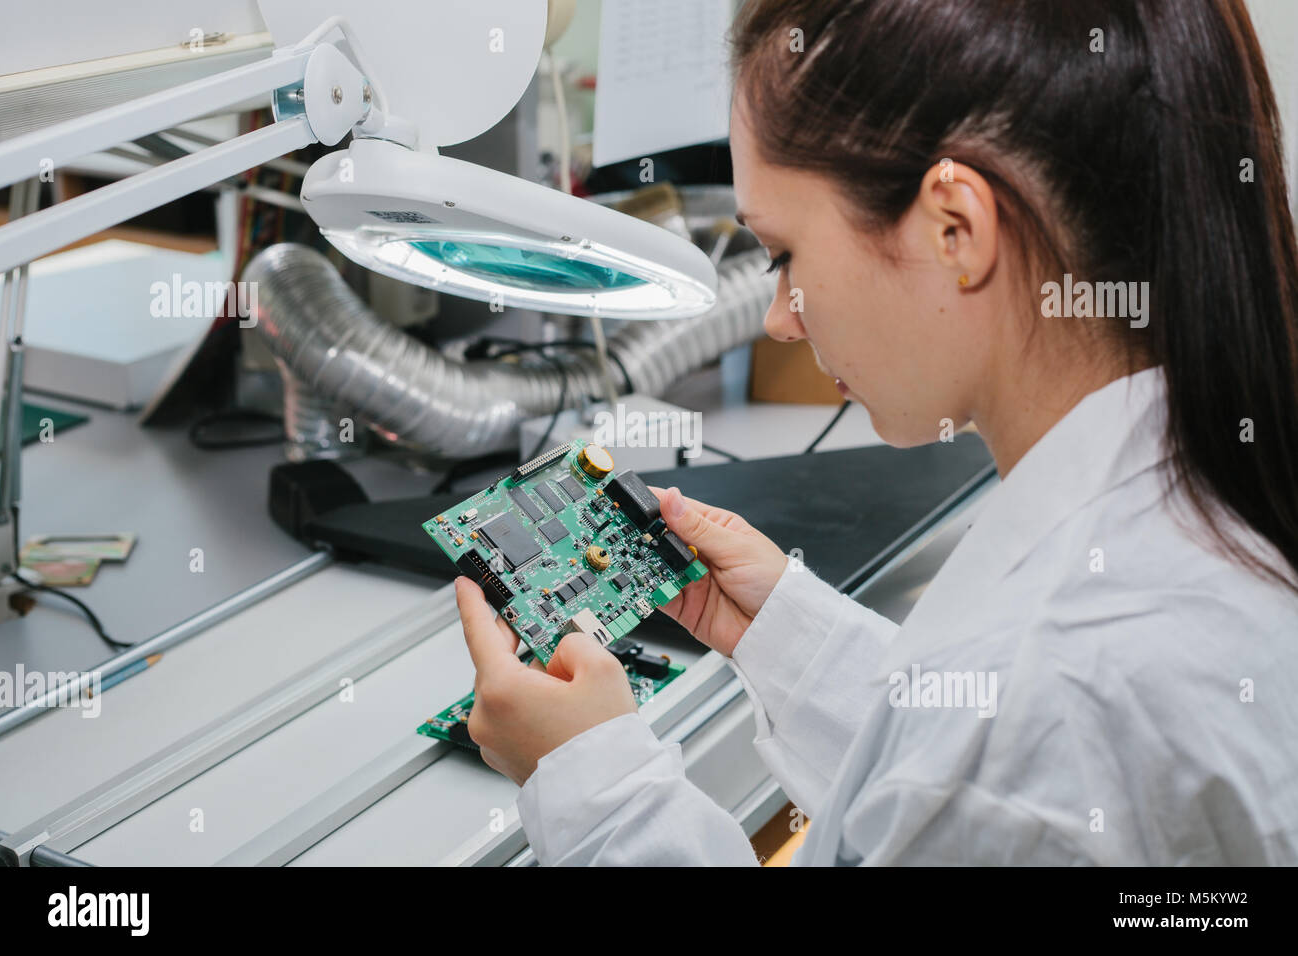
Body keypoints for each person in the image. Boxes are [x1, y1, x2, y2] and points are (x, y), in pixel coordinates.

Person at [453, 0, 1298, 865]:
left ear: (955, 230)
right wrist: (784, 637)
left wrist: (598, 791)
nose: (780, 318)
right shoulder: (1196, 501)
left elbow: (983, 778)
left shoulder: (1042, 723)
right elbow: (945, 779)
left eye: (782, 255)